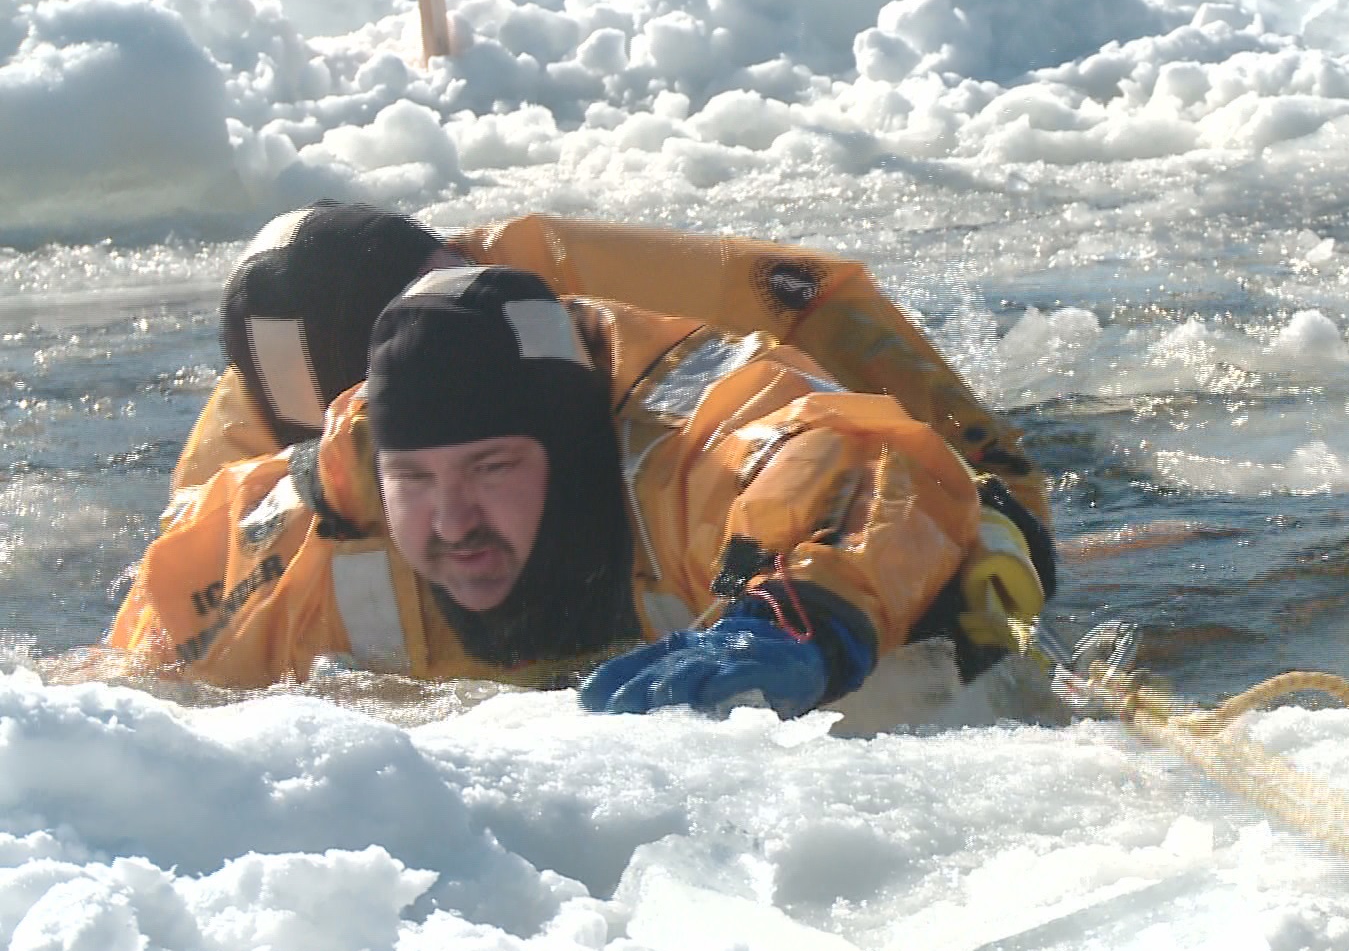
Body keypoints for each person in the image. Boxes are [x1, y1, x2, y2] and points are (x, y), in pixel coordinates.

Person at [105, 264, 1047, 719]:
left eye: (493, 469)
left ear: (570, 453)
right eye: (416, 480)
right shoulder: (310, 531)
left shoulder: (679, 465)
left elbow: (871, 467)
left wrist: (803, 618)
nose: (451, 520)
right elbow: (133, 675)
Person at [176, 202, 1053, 547]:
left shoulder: (555, 276)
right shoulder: (276, 384)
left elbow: (810, 299)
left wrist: (989, 469)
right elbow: (194, 537)